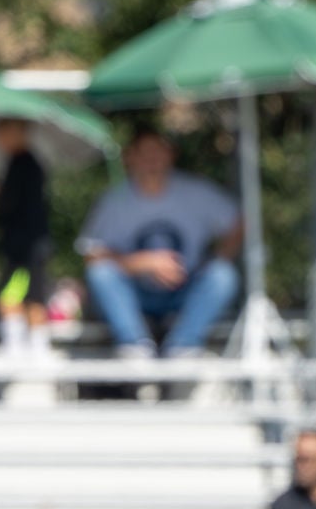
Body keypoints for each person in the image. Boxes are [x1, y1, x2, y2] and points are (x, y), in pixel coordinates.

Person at [76, 130, 243, 360]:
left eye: (158, 151)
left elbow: (239, 222)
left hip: (185, 289)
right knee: (101, 274)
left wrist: (217, 257)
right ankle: (134, 345)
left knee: (222, 274)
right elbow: (91, 255)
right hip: (135, 293)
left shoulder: (197, 192)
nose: (152, 159)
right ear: (130, 158)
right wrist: (143, 263)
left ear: (171, 155)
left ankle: (183, 346)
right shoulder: (114, 201)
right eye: (145, 153)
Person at [0, 118, 52, 317]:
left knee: (15, 296)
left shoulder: (23, 162)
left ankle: (20, 343)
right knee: (26, 294)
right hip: (27, 244)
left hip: (26, 247)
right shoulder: (24, 162)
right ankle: (27, 342)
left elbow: (10, 203)